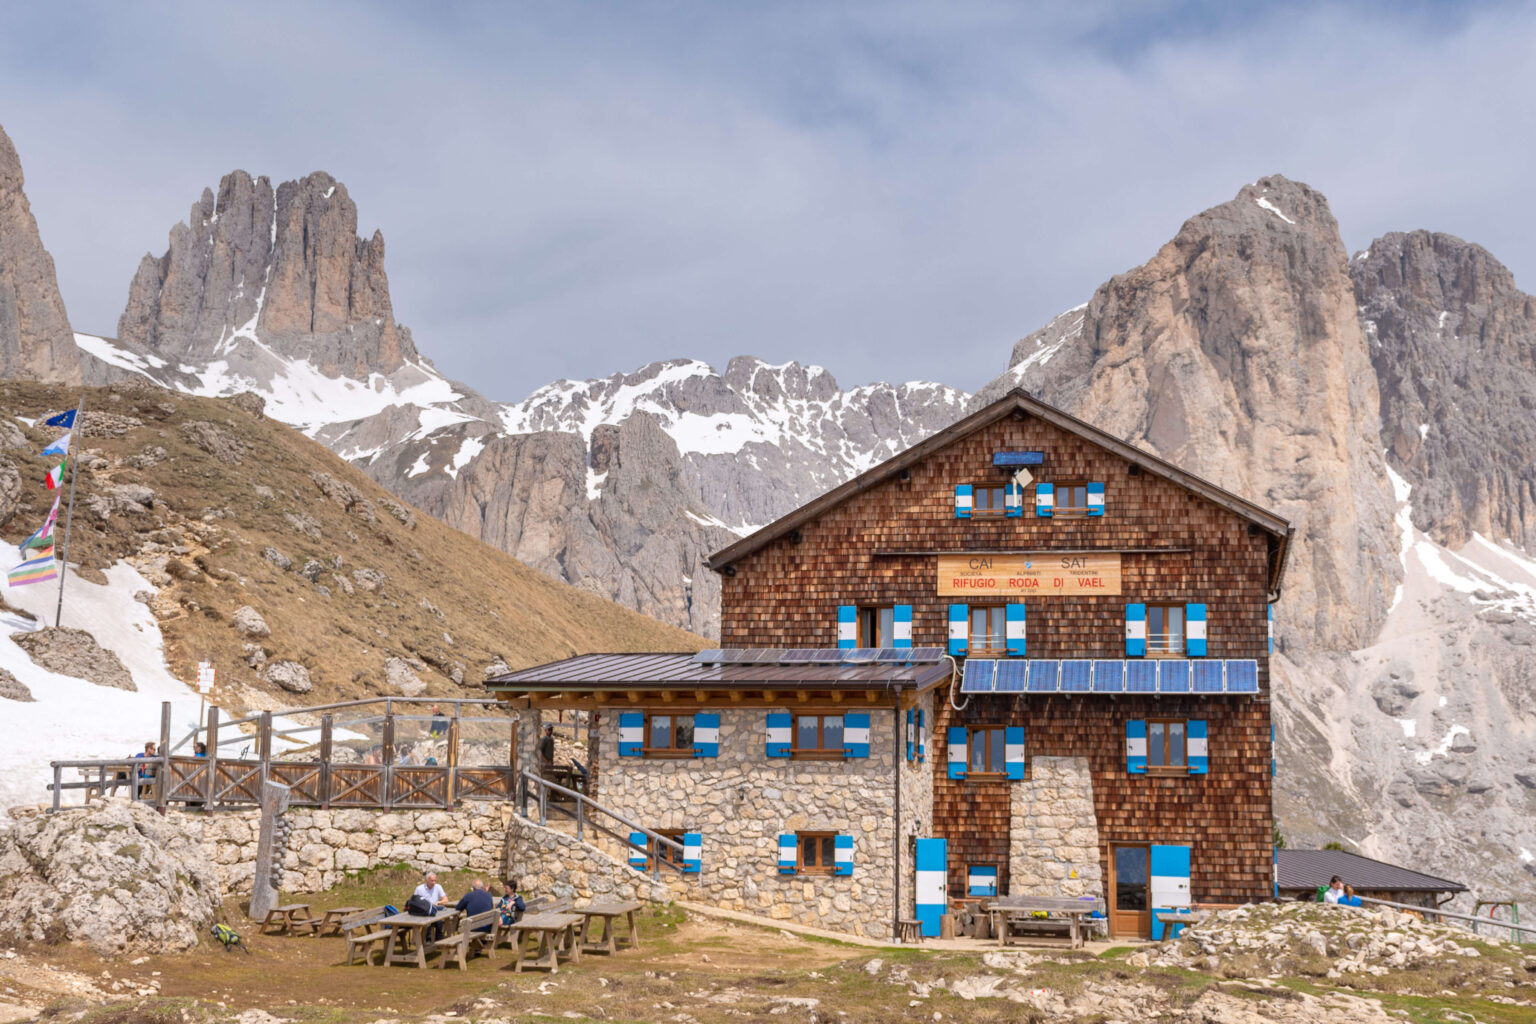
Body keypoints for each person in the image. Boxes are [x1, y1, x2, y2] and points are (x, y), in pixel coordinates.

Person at [413, 871, 450, 941]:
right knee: (429, 921)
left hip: (434, 909)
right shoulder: (419, 889)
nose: (434, 883)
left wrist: (438, 902)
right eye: (432, 881)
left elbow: (445, 899)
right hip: (423, 911)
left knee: (439, 921)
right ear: (427, 880)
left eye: (435, 880)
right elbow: (414, 901)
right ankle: (428, 939)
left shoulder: (438, 887)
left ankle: (438, 940)